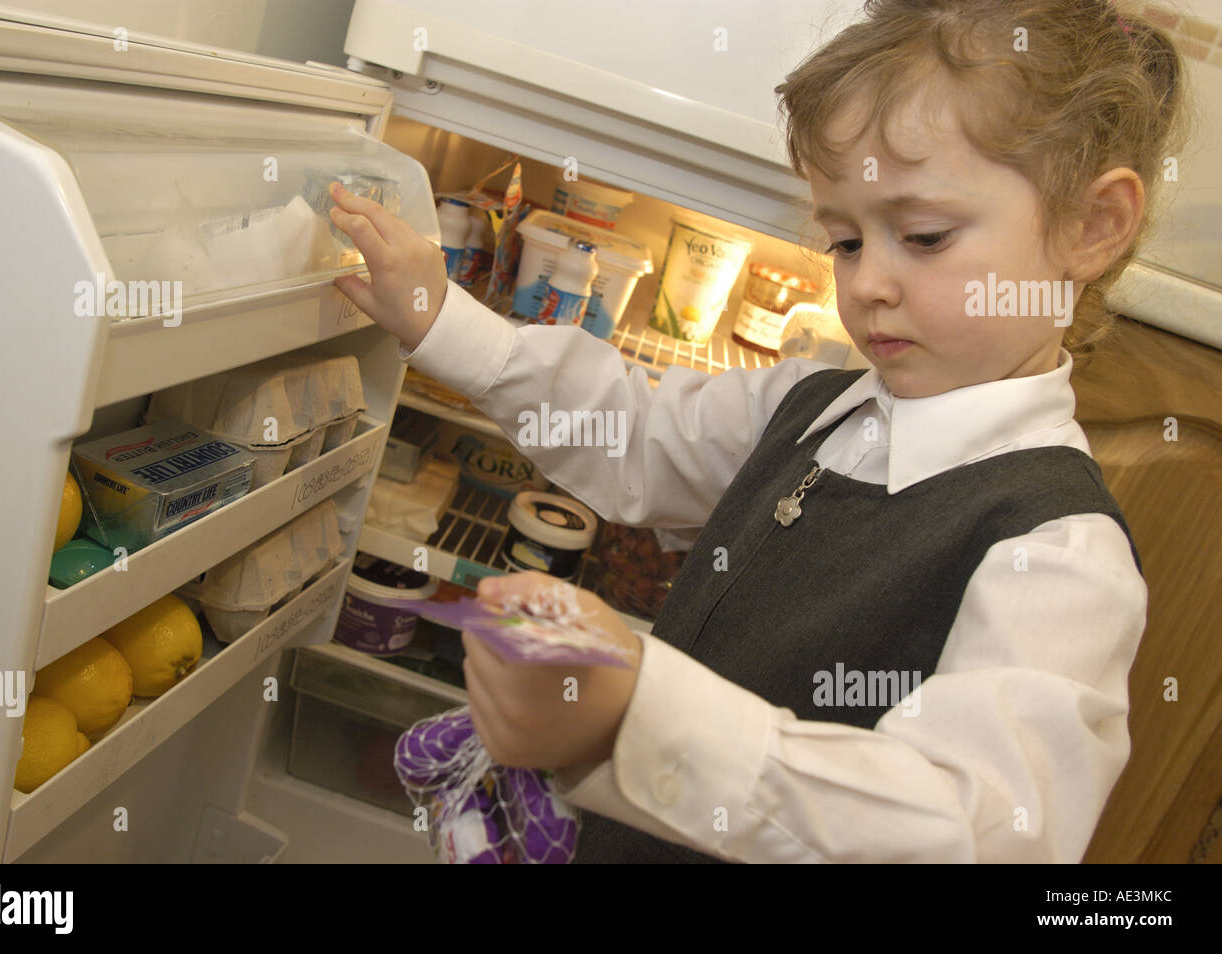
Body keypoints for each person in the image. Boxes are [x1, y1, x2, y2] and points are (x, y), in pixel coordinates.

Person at [327, 0, 1187, 862]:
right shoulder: (814, 406)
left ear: (1091, 226)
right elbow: (636, 429)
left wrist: (637, 718)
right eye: (846, 242)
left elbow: (976, 833)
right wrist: (439, 318)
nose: (870, 285)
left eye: (924, 235)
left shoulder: (1059, 554)